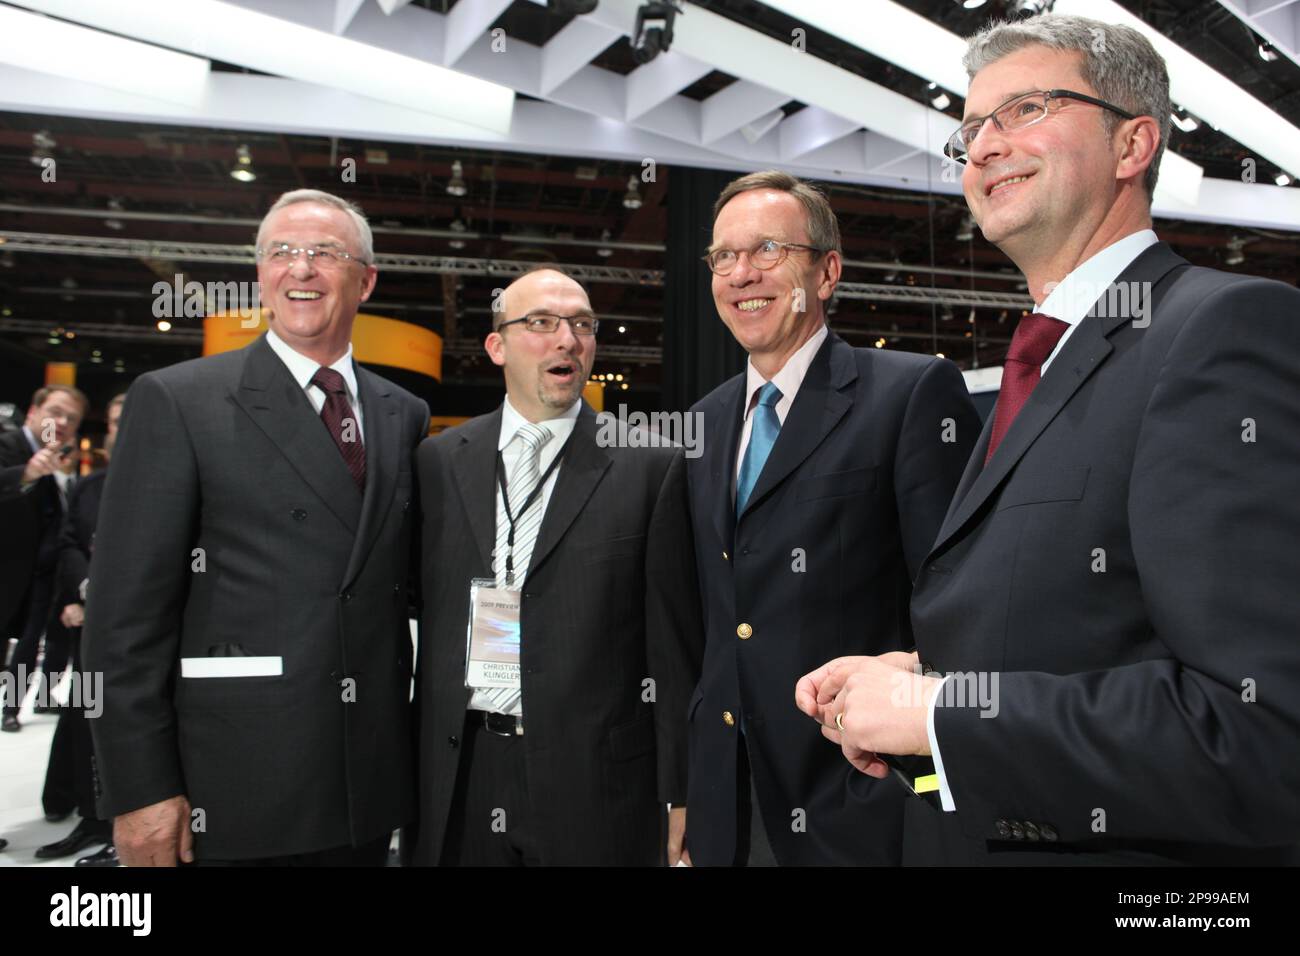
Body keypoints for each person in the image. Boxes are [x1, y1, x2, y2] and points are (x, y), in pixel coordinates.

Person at [798, 13, 1300, 865]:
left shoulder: (1221, 331)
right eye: (971, 129)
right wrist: (923, 694)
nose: (984, 146)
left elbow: (1258, 732)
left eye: (1025, 109)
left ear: (1133, 142)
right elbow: (1087, 629)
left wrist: (937, 711)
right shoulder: (1043, 362)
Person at [84, 189, 430, 866]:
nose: (301, 269)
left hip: (369, 782)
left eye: (325, 253)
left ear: (366, 279)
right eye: (282, 252)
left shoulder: (403, 413)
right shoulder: (180, 400)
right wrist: (140, 788)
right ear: (260, 275)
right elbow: (123, 617)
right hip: (236, 780)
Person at [685, 171, 979, 865]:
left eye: (766, 250)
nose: (741, 273)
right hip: (729, 801)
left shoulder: (909, 394)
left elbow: (957, 605)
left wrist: (918, 782)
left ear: (826, 272)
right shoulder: (703, 422)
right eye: (723, 256)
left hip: (858, 798)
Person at [408, 268, 702, 866]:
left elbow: (673, 651)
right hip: (462, 772)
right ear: (497, 346)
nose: (567, 339)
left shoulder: (650, 465)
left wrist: (682, 791)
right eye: (541, 323)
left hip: (595, 782)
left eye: (583, 325)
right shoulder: (438, 462)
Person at [36, 394, 125, 866]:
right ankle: (89, 819)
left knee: (126, 730)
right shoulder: (91, 485)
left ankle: (120, 828)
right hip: (88, 633)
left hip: (137, 637)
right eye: (112, 421)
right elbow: (70, 543)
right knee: (82, 721)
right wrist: (78, 595)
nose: (118, 428)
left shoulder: (168, 482)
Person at [1, 384, 86, 733]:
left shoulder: (61, 460)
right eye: (55, 412)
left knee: (44, 639)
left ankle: (30, 700)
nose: (62, 422)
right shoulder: (10, 447)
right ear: (33, 411)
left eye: (71, 418)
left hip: (49, 571)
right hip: (11, 571)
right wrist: (27, 473)